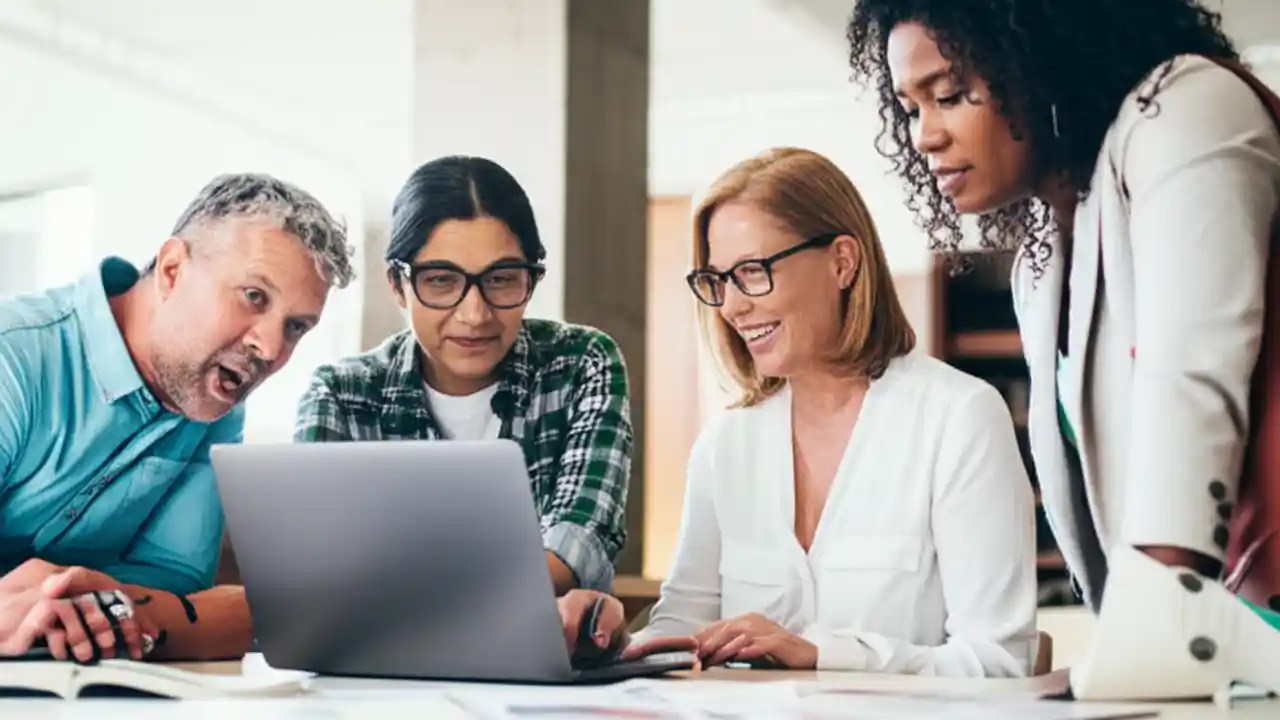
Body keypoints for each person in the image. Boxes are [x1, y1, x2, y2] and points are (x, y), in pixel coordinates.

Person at [846, 0, 1280, 682]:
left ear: (1040, 62)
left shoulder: (1188, 107)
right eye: (910, 107)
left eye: (951, 94)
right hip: (1221, 664)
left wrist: (1160, 611)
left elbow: (1192, 373)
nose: (925, 135)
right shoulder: (1042, 262)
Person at [560, 147, 1037, 677]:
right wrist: (610, 639)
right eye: (719, 281)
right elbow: (684, 629)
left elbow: (1000, 663)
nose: (733, 306)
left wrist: (822, 654)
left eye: (753, 271)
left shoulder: (959, 418)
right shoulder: (726, 445)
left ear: (842, 262)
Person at [0, 174, 354, 663]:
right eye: (253, 296)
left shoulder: (212, 402)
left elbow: (177, 590)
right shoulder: (13, 357)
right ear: (171, 271)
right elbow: (178, 614)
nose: (270, 349)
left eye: (295, 327)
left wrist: (100, 604)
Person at [295, 156, 628, 596]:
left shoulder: (582, 364)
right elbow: (317, 561)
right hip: (377, 657)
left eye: (503, 279)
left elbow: (579, 536)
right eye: (440, 281)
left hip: (534, 653)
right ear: (397, 286)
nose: (475, 315)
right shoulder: (340, 394)